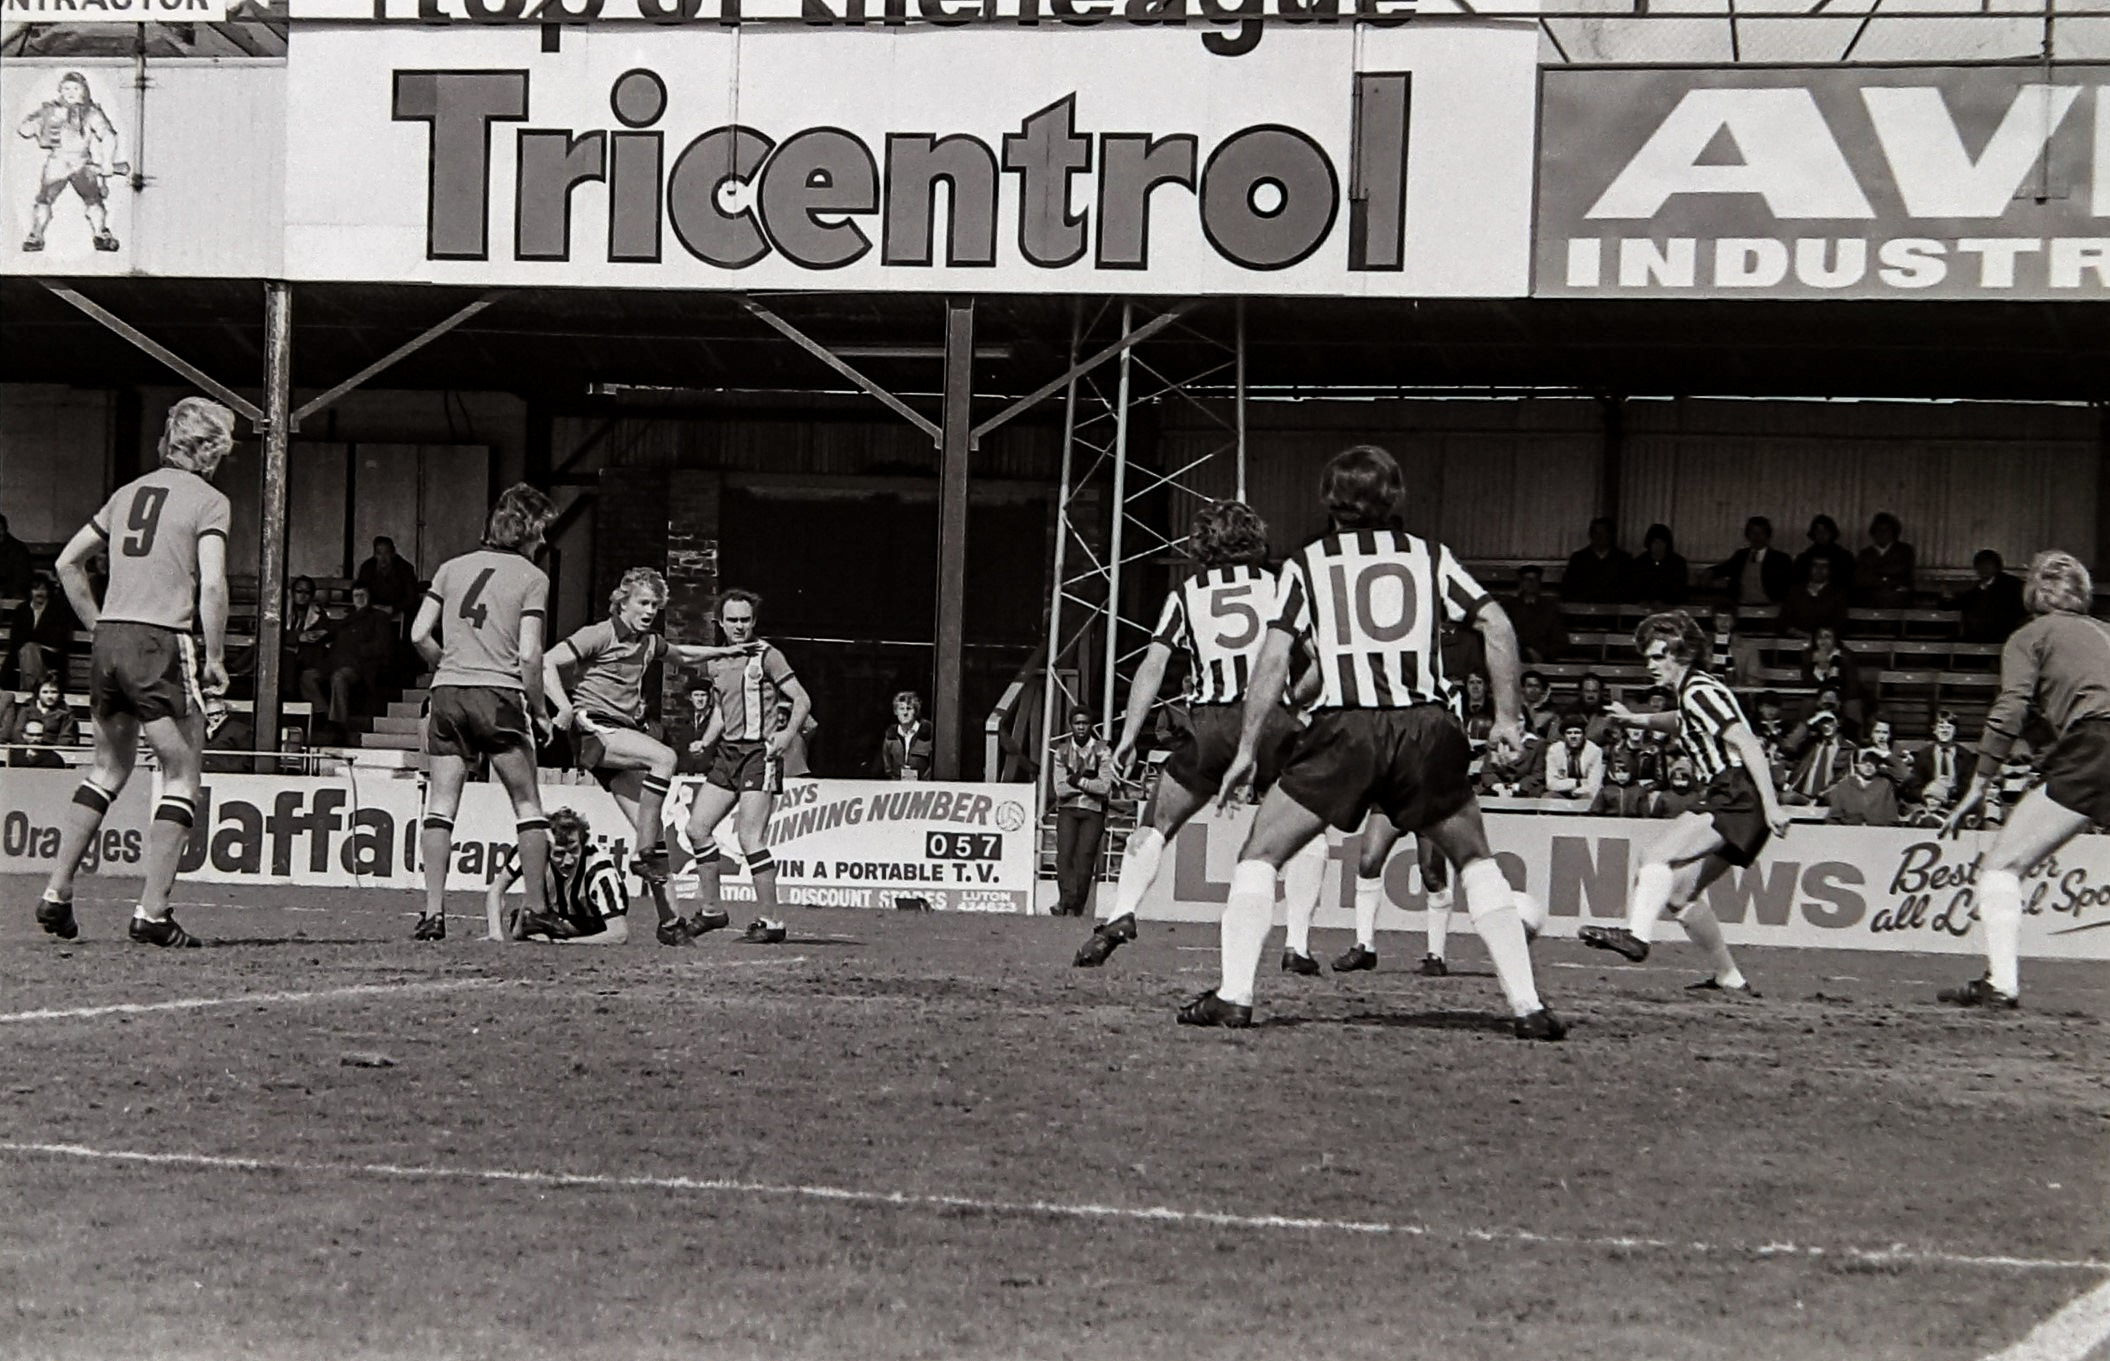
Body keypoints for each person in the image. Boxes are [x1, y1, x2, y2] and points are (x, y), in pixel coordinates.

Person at [1197, 444, 1562, 1038]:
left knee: (1260, 856)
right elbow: (1496, 622)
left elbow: (1274, 657)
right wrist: (1506, 719)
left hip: (1346, 731)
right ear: (1394, 498)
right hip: (1425, 727)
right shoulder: (1429, 556)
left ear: (1328, 501)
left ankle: (1234, 996)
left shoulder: (1307, 564)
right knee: (1475, 859)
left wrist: (1246, 748)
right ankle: (1528, 1007)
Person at [1074, 500, 1331, 970]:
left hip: (1212, 723)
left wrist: (1129, 735)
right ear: (1255, 540)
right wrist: (1293, 698)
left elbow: (1153, 666)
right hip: (1275, 720)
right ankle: (1297, 944)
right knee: (1305, 826)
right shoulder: (1279, 588)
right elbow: (1323, 662)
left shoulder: (1187, 594)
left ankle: (1121, 912)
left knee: (1156, 822)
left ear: (1203, 543)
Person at [29, 397, 234, 947]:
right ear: (209, 450)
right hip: (160, 641)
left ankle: (56, 891)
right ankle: (153, 911)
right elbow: (212, 584)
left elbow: (67, 563)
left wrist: (99, 625)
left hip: (111, 641)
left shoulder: (127, 495)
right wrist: (214, 658)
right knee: (181, 776)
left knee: (107, 769)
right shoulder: (209, 501)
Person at [1578, 610, 1789, 995]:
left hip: (1734, 793)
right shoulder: (1696, 692)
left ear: (1683, 654)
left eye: (1659, 656)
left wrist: (1773, 804)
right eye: (1649, 657)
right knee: (1680, 893)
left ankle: (1637, 937)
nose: (1651, 665)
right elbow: (1683, 721)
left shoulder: (1698, 691)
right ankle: (1730, 979)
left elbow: (1747, 742)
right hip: (1738, 797)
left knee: (1654, 855)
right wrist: (1637, 720)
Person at [546, 566, 757, 946]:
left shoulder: (647, 642)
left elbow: (684, 655)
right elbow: (546, 662)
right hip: (595, 728)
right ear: (622, 601)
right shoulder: (600, 633)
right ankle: (643, 855)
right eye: (643, 603)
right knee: (664, 758)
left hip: (619, 734)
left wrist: (724, 650)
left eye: (655, 606)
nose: (649, 611)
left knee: (657, 838)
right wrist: (563, 708)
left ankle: (670, 923)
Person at [1937, 551, 2110, 1009]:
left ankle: (2001, 983)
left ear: (2033, 593)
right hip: (2094, 742)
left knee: (2001, 865)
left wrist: (1979, 783)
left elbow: (2011, 709)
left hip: (2097, 744)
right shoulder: (2106, 634)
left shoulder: (2030, 636)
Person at [406, 483, 560, 943]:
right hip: (499, 695)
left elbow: (417, 634)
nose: (545, 541)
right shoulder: (532, 577)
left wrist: (446, 665)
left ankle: (433, 913)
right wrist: (540, 710)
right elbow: (531, 655)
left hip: (449, 693)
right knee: (527, 803)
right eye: (543, 531)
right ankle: (535, 908)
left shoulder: (452, 569)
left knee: (441, 805)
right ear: (528, 529)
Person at [679, 588, 813, 945]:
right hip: (727, 754)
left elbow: (802, 699)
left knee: (749, 837)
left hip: (759, 754)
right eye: (732, 620)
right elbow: (723, 709)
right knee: (696, 828)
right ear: (720, 623)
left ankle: (771, 920)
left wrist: (786, 734)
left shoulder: (768, 656)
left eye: (745, 620)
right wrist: (706, 740)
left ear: (754, 622)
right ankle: (711, 910)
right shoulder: (717, 660)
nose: (739, 627)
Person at [484, 807, 632, 945]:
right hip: (555, 914)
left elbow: (619, 933)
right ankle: (543, 926)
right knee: (523, 921)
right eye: (559, 854)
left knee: (529, 922)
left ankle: (552, 929)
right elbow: (496, 890)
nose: (568, 861)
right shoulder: (533, 853)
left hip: (593, 923)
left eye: (574, 850)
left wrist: (569, 942)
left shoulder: (600, 871)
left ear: (583, 844)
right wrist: (495, 933)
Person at [17, 71, 123, 253]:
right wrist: (41, 121)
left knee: (93, 199)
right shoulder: (50, 110)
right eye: (66, 88)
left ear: (84, 90)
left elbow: (107, 135)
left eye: (75, 88)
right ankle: (36, 235)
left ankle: (100, 233)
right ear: (60, 90)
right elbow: (24, 130)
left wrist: (107, 162)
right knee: (44, 199)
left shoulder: (91, 112)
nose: (71, 92)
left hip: (82, 161)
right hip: (57, 161)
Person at [1048, 707, 1116, 920]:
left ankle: (1075, 906)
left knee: (1085, 858)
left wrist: (1077, 781)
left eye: (1084, 723)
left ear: (1090, 726)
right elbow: (1059, 789)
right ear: (1071, 725)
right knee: (1064, 856)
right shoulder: (1061, 751)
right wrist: (1088, 784)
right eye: (1077, 723)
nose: (1080, 727)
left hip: (1093, 811)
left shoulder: (1103, 750)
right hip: (1067, 809)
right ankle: (1066, 901)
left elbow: (1105, 787)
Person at [303, 584, 396, 725]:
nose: (359, 599)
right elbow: (332, 631)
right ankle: (324, 712)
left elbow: (382, 646)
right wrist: (323, 634)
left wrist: (355, 650)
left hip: (359, 665)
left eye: (362, 595)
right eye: (356, 596)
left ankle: (337, 723)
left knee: (339, 678)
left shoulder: (379, 617)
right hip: (333, 663)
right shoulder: (348, 617)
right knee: (307, 677)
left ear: (369, 597)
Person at [1781, 687, 1855, 805]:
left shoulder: (1847, 748)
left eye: (1830, 721)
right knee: (1784, 798)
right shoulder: (1810, 743)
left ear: (1838, 723)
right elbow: (1788, 746)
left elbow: (1844, 779)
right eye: (1822, 722)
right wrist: (1810, 722)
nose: (1826, 726)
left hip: (1828, 797)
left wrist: (1821, 796)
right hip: (1802, 795)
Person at [8, 575, 75, 691]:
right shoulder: (21, 609)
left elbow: (58, 639)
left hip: (51, 657)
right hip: (22, 655)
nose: (39, 593)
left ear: (48, 591)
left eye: (43, 589)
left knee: (29, 649)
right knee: (28, 650)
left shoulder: (58, 610)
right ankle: (35, 690)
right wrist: (35, 641)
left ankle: (29, 692)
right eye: (35, 589)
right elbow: (15, 639)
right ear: (30, 591)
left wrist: (32, 641)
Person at [1708, 515, 1793, 607]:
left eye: (1761, 533)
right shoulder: (1741, 555)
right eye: (1752, 533)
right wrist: (1710, 572)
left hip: (1769, 608)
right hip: (1742, 607)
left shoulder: (1781, 559)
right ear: (1747, 535)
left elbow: (1788, 586)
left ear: (1768, 535)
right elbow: (1724, 568)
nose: (1757, 537)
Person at [1948, 549, 2028, 645]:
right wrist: (1945, 598)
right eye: (1980, 565)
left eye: (1987, 564)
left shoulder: (2012, 585)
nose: (1983, 568)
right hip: (1983, 636)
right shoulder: (1980, 587)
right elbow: (1959, 602)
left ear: (1997, 567)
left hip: (2002, 636)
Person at [1907, 711, 1976, 812]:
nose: (1945, 731)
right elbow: (1914, 786)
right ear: (1934, 730)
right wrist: (1927, 797)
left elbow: (1969, 785)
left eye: (1949, 727)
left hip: (1956, 804)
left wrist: (1949, 792)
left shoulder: (1966, 756)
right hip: (1928, 804)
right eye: (1941, 727)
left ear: (1955, 730)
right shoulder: (1923, 755)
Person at [5, 675, 77, 767]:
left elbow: (66, 738)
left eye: (54, 692)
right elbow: (17, 733)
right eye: (45, 692)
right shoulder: (27, 708)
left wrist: (43, 747)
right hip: (26, 751)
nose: (50, 696)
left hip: (52, 753)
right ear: (38, 693)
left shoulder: (65, 712)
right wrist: (29, 747)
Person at [283, 575, 334, 700]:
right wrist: (298, 637)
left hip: (308, 655)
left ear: (312, 595)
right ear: (292, 593)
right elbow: (272, 633)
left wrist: (321, 633)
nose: (302, 595)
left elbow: (329, 632)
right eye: (299, 591)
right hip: (283, 653)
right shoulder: (281, 610)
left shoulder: (318, 612)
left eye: (307, 592)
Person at [1505, 565, 1567, 663]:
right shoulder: (1509, 607)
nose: (1531, 583)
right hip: (1513, 658)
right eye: (1527, 579)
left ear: (1540, 582)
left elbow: (1560, 640)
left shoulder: (1550, 608)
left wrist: (1542, 653)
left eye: (1535, 579)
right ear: (1521, 582)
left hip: (1545, 659)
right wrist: (1526, 652)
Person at [1781, 554, 1851, 640]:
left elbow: (1841, 625)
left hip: (1825, 644)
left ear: (1830, 570)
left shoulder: (1838, 594)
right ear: (1809, 568)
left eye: (1824, 566)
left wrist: (1819, 637)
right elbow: (1783, 620)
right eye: (1815, 565)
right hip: (1796, 641)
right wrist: (1798, 633)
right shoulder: (1796, 591)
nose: (1819, 570)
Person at [1561, 518, 1630, 605]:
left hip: (1614, 611)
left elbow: (1628, 588)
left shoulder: (1624, 559)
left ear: (1611, 535)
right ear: (1590, 535)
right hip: (1583, 611)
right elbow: (1569, 586)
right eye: (1596, 533)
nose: (1599, 537)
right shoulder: (1579, 558)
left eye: (1604, 533)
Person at [1825, 747, 1900, 826]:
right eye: (1864, 761)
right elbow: (1834, 817)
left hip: (1878, 832)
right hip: (1850, 832)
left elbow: (1904, 775)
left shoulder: (1885, 785)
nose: (1869, 765)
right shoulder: (1844, 785)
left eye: (1873, 761)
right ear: (1856, 764)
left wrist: (1883, 753)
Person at [1856, 513, 1916, 608]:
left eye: (1886, 530)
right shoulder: (1865, 553)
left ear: (1893, 533)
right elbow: (1860, 578)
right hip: (1870, 598)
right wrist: (1885, 578)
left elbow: (1900, 570)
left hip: (1896, 599)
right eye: (1878, 530)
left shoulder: (1904, 550)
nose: (1882, 533)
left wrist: (1873, 571)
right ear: (1873, 533)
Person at [353, 535, 422, 617]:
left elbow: (411, 597)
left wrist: (394, 608)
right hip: (373, 611)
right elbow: (360, 589)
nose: (383, 558)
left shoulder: (405, 568)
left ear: (393, 554)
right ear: (374, 554)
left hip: (399, 611)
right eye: (379, 553)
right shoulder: (367, 567)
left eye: (387, 553)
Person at [1545, 713, 1606, 803]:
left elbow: (1594, 785)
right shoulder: (1554, 750)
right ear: (1564, 736)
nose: (1573, 736)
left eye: (1577, 733)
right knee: (1548, 797)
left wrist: (1577, 790)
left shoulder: (1594, 751)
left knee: (1591, 800)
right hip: (1562, 793)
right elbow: (1551, 783)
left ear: (1583, 735)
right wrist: (1577, 782)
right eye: (1569, 733)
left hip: (1586, 793)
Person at [1625, 523, 1689, 607]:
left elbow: (1680, 590)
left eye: (1662, 542)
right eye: (1655, 542)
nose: (1658, 546)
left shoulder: (1678, 563)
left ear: (1667, 544)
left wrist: (1665, 602)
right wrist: (1640, 600)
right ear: (1649, 543)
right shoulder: (1639, 562)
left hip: (1670, 610)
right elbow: (1632, 588)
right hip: (1642, 610)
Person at [876, 690, 934, 780]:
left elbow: (933, 767)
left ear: (915, 711)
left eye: (909, 708)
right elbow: (887, 768)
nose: (905, 713)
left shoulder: (929, 736)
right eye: (901, 709)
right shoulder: (890, 738)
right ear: (896, 712)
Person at [1794, 514, 1857, 596]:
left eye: (1825, 531)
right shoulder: (1804, 558)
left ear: (1832, 533)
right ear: (1813, 534)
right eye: (1818, 531)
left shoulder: (1844, 557)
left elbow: (1849, 583)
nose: (1821, 534)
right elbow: (1798, 582)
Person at [1703, 604, 1763, 689]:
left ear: (1734, 621)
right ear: (1714, 621)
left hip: (1737, 693)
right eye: (1719, 618)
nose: (1723, 622)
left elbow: (1754, 678)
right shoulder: (1703, 645)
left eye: (1728, 618)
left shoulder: (1749, 647)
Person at [1591, 754, 1657, 818]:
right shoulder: (1605, 792)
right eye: (1617, 772)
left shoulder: (1639, 792)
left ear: (1632, 771)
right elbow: (1595, 814)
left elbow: (1645, 816)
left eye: (1625, 772)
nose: (1621, 775)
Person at [674, 681, 716, 776]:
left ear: (709, 697)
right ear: (690, 698)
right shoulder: (686, 720)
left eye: (703, 695)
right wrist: (682, 769)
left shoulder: (715, 721)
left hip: (709, 774)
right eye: (696, 695)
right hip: (686, 774)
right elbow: (682, 748)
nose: (699, 699)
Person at [0, 512, 35, 600]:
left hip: (11, 596)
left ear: (4, 529)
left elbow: (22, 580)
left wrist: (4, 592)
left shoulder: (18, 549)